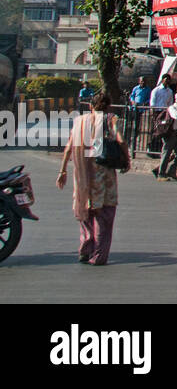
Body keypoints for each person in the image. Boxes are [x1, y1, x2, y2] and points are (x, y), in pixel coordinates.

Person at [56, 91, 129, 265]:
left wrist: (62, 171)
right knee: (104, 215)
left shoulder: (80, 121)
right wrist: (126, 158)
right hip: (103, 175)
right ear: (108, 106)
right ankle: (98, 256)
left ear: (91, 106)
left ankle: (85, 249)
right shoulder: (111, 118)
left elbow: (69, 147)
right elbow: (120, 140)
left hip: (83, 174)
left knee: (86, 211)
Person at [155, 91, 177, 180]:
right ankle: (161, 174)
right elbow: (176, 116)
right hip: (169, 134)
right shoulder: (172, 108)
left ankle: (172, 171)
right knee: (166, 154)